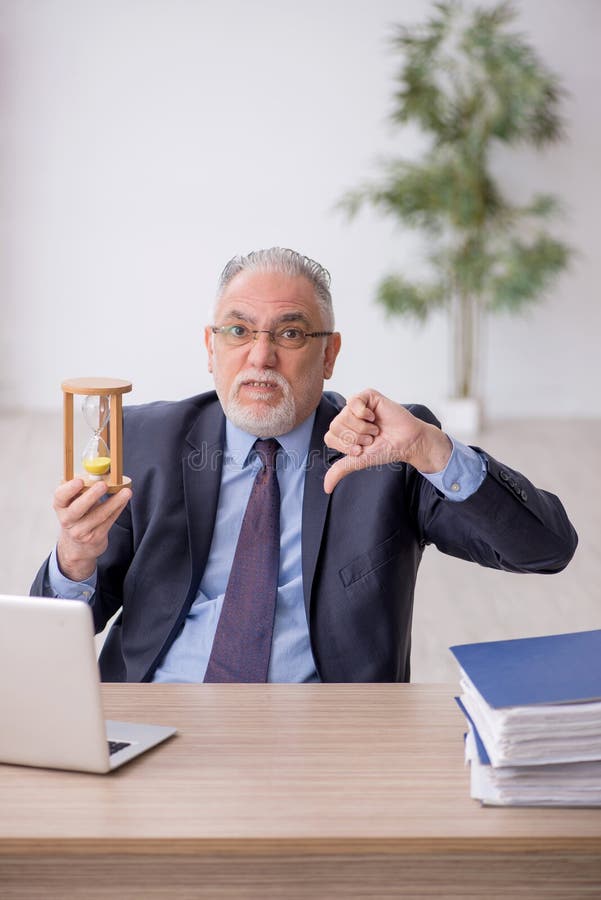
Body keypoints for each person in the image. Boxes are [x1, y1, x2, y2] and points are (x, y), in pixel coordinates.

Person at [31, 247, 577, 683]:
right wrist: (75, 557)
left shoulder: (386, 448)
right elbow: (52, 640)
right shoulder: (148, 438)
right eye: (238, 331)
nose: (261, 356)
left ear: (330, 354)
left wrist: (434, 452)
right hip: (157, 717)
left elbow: (545, 550)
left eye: (290, 334)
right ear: (210, 346)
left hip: (324, 735)